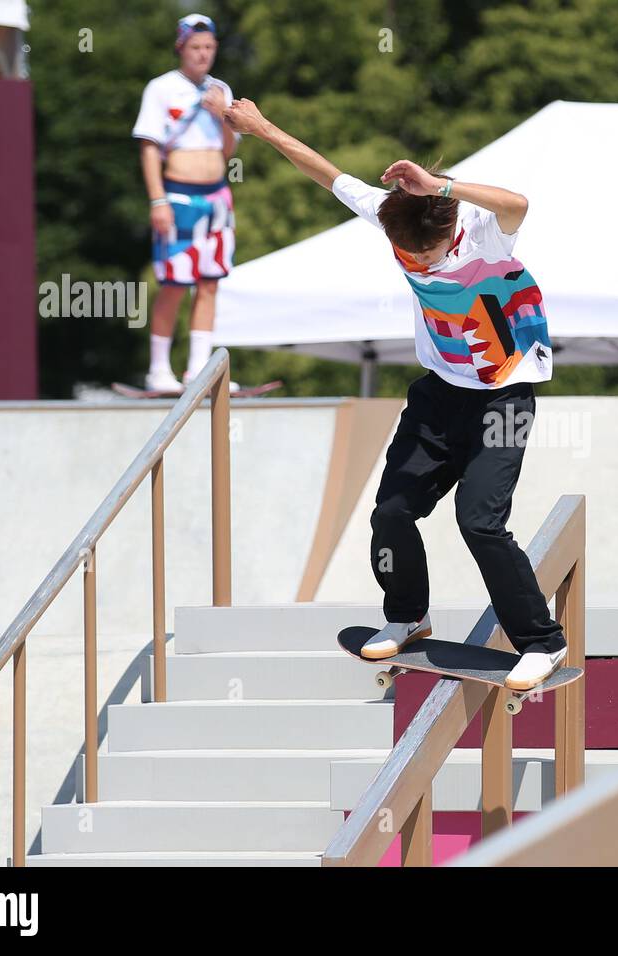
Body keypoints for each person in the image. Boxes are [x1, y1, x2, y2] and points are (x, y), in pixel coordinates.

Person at [222, 97, 566, 690]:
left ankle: (542, 641)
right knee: (391, 511)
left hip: (504, 399)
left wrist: (443, 186)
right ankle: (408, 615)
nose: (420, 264)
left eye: (429, 255)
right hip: (438, 397)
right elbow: (328, 174)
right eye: (411, 256)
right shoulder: (392, 222)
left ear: (450, 230)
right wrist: (261, 128)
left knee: (479, 522)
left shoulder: (484, 236)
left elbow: (519, 203)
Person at [131, 13, 239, 393]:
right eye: (196, 47)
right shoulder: (161, 88)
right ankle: (159, 369)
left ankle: (198, 369)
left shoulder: (220, 90)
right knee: (174, 282)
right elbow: (149, 147)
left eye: (209, 47)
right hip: (177, 194)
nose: (203, 54)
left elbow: (228, 150)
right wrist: (157, 199)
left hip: (217, 195)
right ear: (181, 48)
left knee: (210, 282)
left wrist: (222, 114)